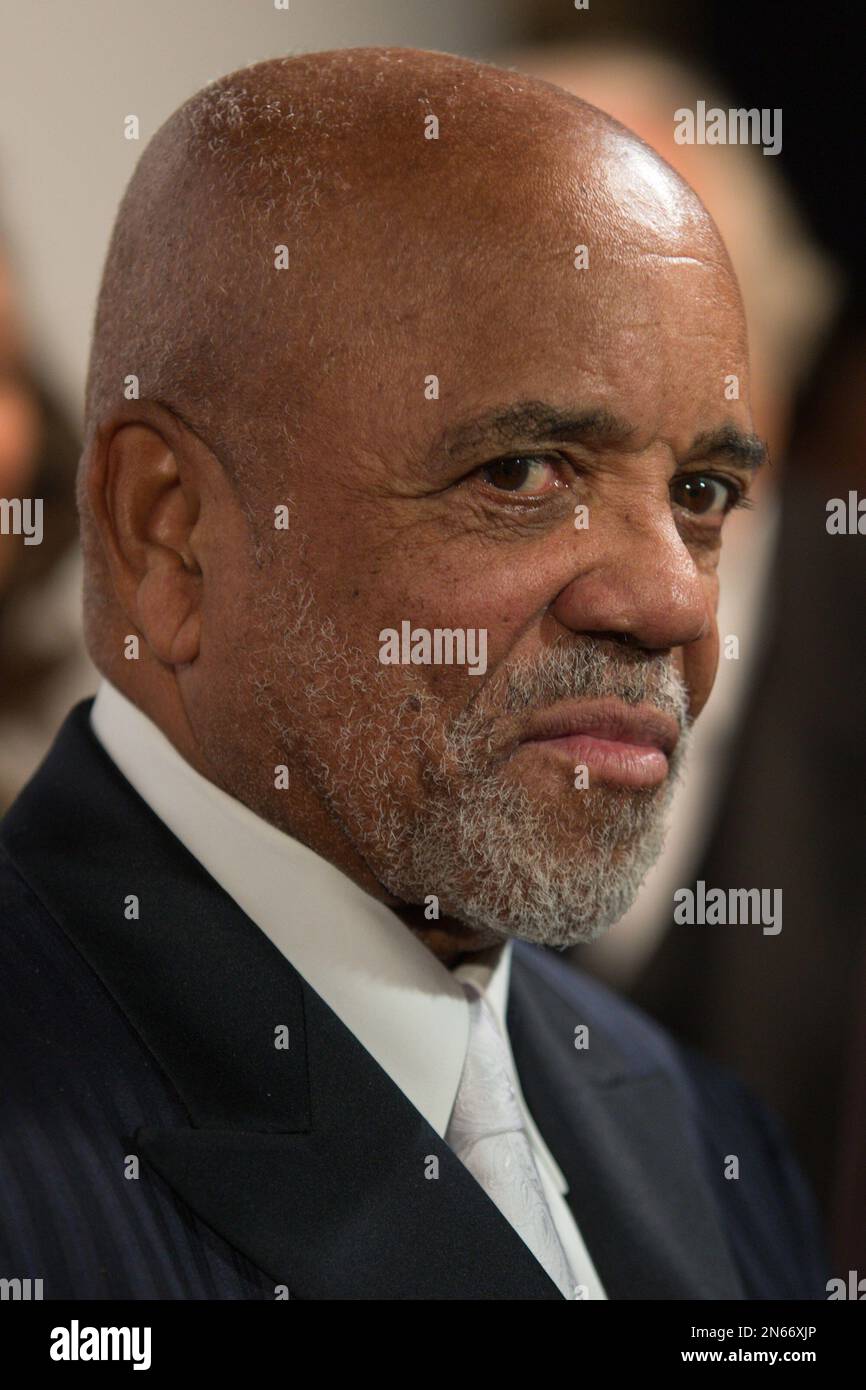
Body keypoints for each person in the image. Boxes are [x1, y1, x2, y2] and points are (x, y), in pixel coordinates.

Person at [0, 47, 826, 1300]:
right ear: (169, 530)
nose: (669, 602)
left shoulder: (705, 1134)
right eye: (520, 472)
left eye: (702, 495)